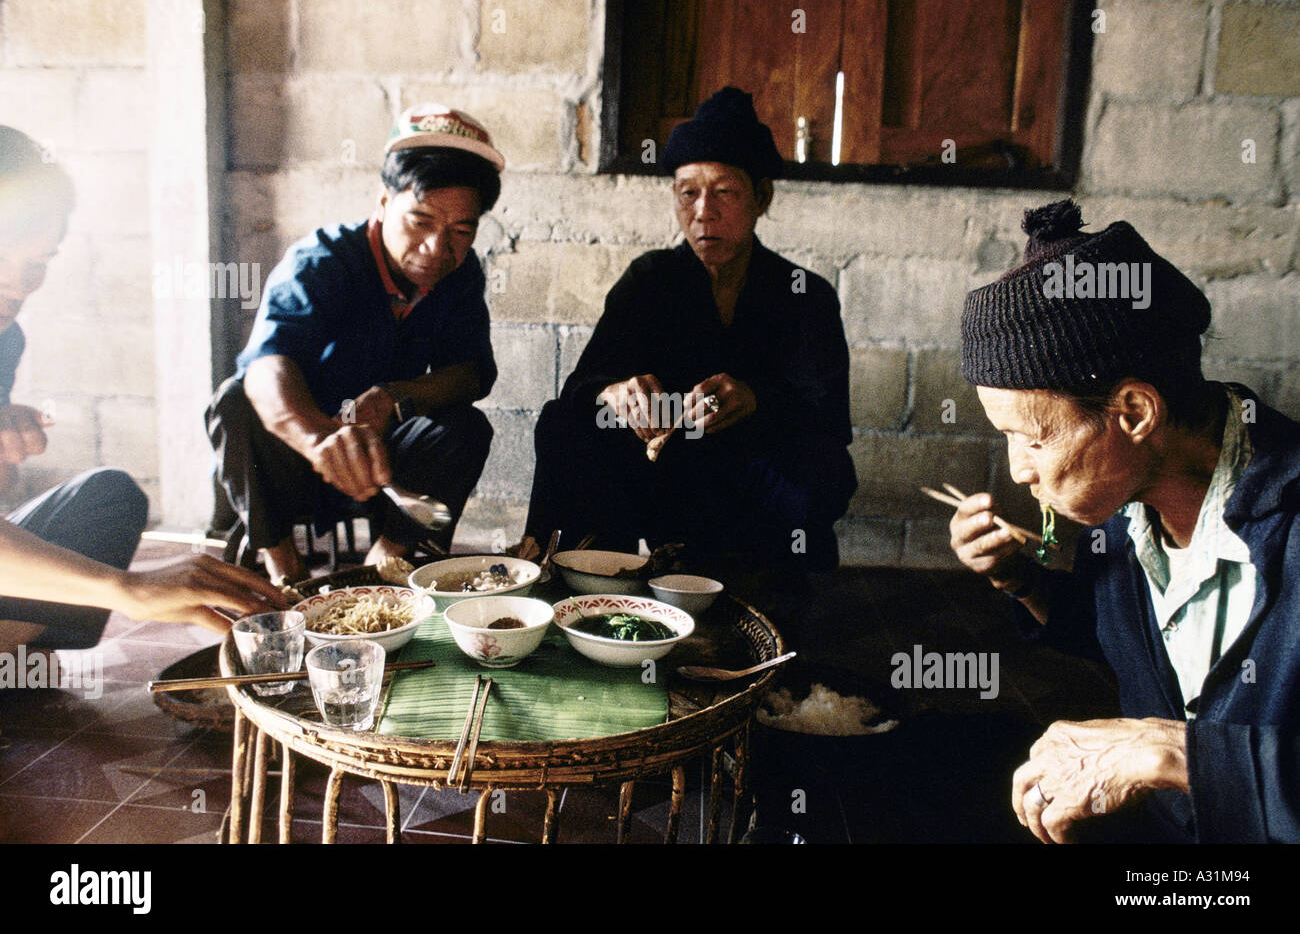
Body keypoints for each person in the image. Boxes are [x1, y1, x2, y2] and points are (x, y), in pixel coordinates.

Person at [948, 198, 1300, 843]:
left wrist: (1182, 753)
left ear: (1135, 412)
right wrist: (1020, 579)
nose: (1020, 471)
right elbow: (1141, 645)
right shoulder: (1121, 515)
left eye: (1031, 438)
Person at [519, 88, 856, 572]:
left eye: (724, 191)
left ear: (761, 198)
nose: (703, 212)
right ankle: (583, 579)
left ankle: (778, 594)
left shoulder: (805, 293)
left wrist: (756, 400)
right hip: (669, 473)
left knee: (823, 466)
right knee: (566, 424)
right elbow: (581, 387)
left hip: (752, 473)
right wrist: (615, 392)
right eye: (688, 193)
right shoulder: (649, 279)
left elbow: (829, 420)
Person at [0, 125, 285, 656]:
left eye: (35, 266)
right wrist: (127, 589)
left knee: (108, 497)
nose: (17, 287)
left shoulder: (4, 336)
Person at [207, 105, 502, 585]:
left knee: (465, 428)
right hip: (294, 459)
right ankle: (284, 569)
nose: (437, 248)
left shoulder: (459, 273)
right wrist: (319, 439)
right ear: (384, 202)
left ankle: (379, 574)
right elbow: (266, 367)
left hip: (383, 466)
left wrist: (396, 398)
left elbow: (474, 372)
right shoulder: (322, 261)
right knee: (234, 400)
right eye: (421, 220)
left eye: (461, 231)